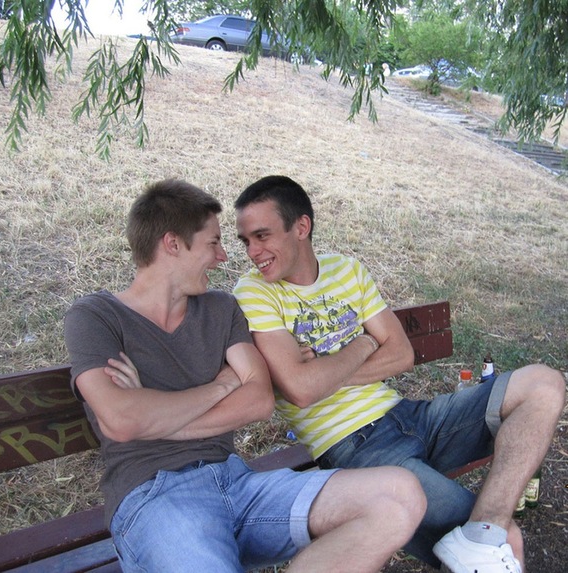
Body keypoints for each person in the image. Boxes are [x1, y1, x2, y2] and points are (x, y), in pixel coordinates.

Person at [64, 179, 426, 573]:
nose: (223, 256)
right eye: (213, 243)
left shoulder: (220, 309)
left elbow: (259, 401)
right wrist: (222, 385)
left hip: (238, 484)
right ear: (172, 244)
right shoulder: (96, 317)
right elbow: (121, 419)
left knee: (400, 495)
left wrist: (150, 418)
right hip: (154, 496)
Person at [233, 175, 566, 573]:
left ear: (301, 226)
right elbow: (303, 391)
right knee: (509, 542)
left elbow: (402, 354)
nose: (252, 252)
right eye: (245, 241)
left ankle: (485, 528)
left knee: (544, 384)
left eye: (262, 236)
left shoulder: (347, 270)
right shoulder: (254, 292)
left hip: (409, 416)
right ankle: (488, 539)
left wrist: (325, 371)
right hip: (356, 447)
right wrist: (365, 343)